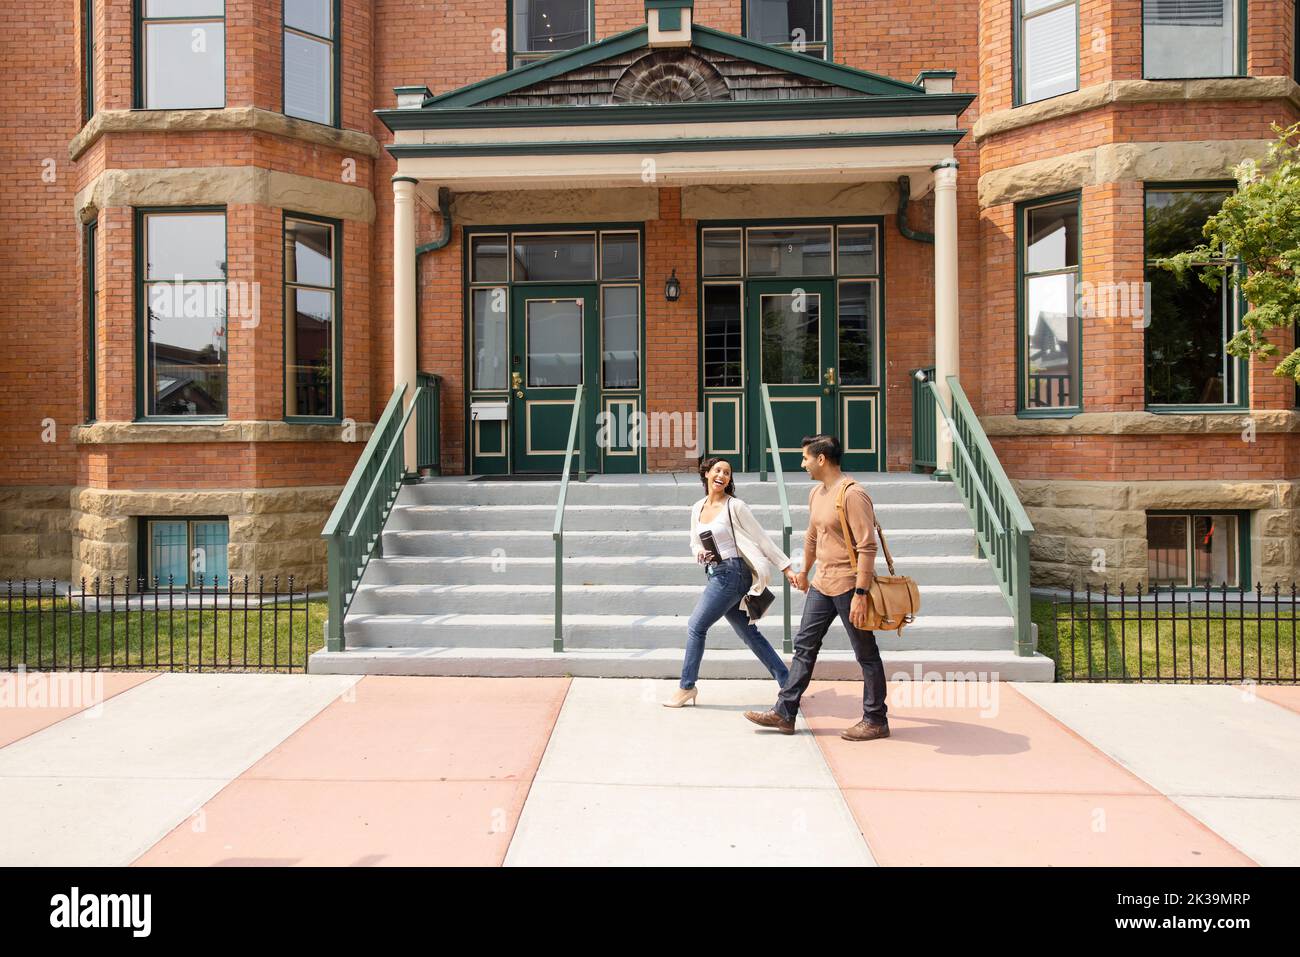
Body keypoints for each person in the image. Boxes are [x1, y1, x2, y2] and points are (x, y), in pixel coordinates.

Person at [744, 435, 890, 741]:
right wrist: (804, 571)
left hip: (851, 585)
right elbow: (812, 536)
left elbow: (867, 547)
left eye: (805, 458)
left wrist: (861, 594)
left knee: (865, 653)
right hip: (823, 584)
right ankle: (785, 713)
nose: (803, 464)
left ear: (821, 459)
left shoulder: (853, 495)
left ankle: (876, 719)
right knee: (804, 646)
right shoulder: (816, 493)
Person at [664, 457, 800, 707]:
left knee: (696, 626)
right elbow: (694, 541)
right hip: (716, 571)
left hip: (733, 574)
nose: (722, 475)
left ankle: (686, 687)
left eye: (727, 472)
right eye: (717, 470)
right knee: (749, 633)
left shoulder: (735, 506)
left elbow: (761, 538)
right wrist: (699, 554)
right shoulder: (698, 507)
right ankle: (789, 683)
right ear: (706, 474)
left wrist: (786, 567)